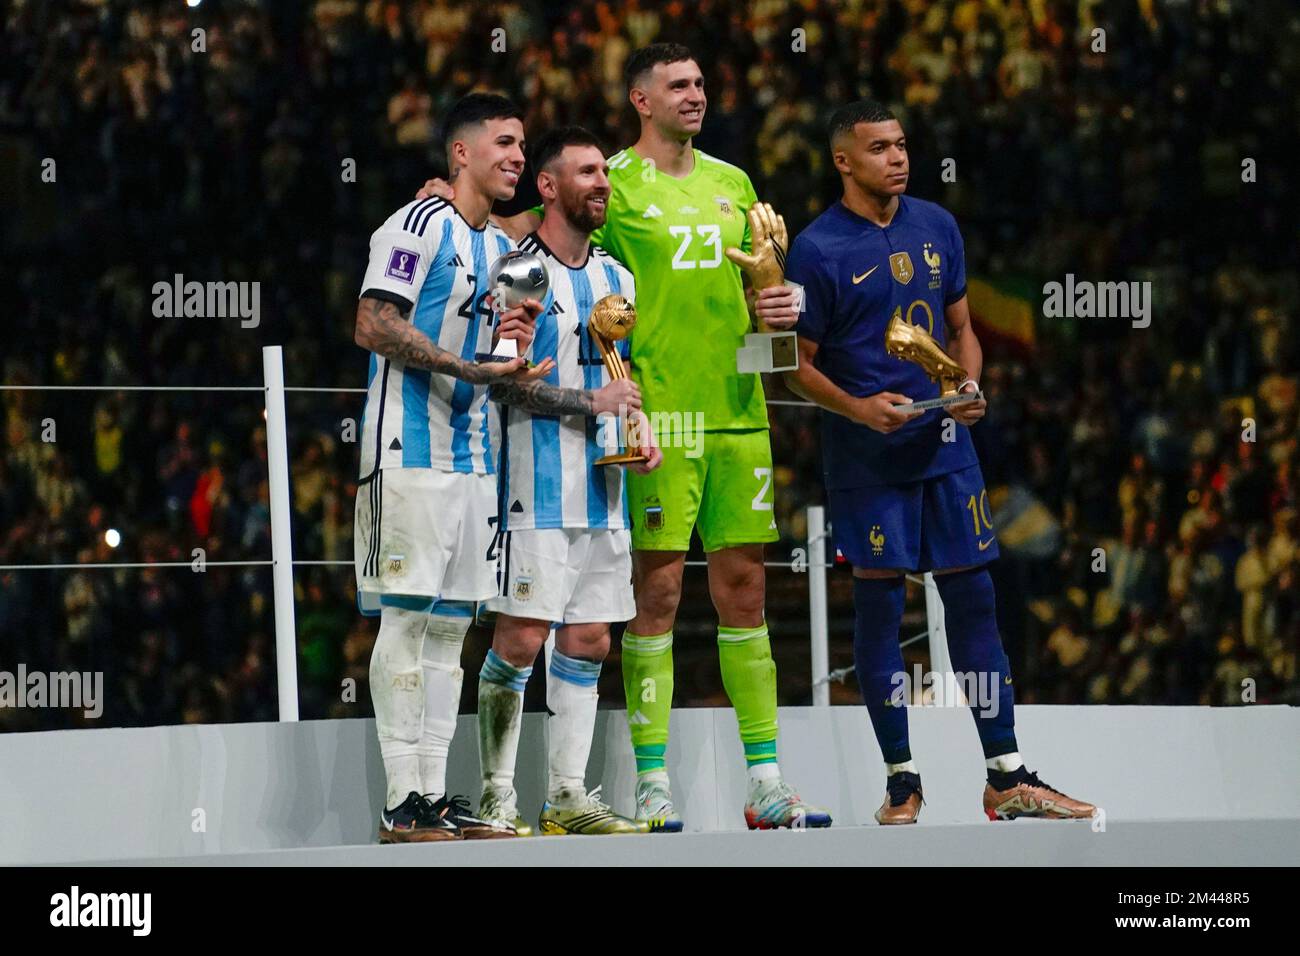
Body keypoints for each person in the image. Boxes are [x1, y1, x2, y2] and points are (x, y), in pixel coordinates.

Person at [416, 44, 829, 833]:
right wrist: (454, 193)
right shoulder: (609, 186)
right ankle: (648, 785)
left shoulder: (733, 184)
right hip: (649, 423)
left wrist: (776, 310)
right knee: (652, 600)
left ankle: (767, 783)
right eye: (678, 85)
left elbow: (752, 312)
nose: (696, 95)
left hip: (738, 415)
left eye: (703, 82)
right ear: (640, 100)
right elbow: (531, 235)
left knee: (742, 593)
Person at [783, 99, 1097, 824]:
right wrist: (859, 409)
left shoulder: (937, 225)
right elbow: (796, 367)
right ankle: (902, 779)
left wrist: (968, 384)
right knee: (881, 606)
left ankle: (1007, 773)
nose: (897, 157)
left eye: (901, 145)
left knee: (976, 597)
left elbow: (962, 329)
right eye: (880, 148)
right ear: (843, 161)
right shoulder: (816, 248)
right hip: (868, 455)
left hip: (947, 447)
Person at [353, 92, 553, 843]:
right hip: (408, 451)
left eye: (524, 146)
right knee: (406, 617)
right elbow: (373, 322)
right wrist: (465, 368)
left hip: (475, 459)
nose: (517, 157)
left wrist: (507, 362)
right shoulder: (417, 224)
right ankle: (399, 795)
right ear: (460, 153)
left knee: (448, 631)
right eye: (504, 142)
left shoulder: (502, 253)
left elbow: (502, 345)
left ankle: (433, 796)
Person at [474, 125, 663, 837]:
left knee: (588, 640)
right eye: (585, 173)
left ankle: (566, 797)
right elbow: (504, 384)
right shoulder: (519, 270)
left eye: (604, 174)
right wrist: (593, 407)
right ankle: (495, 794)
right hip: (531, 486)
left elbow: (623, 376)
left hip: (603, 491)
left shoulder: (620, 278)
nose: (602, 184)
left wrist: (639, 430)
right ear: (546, 186)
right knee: (521, 637)